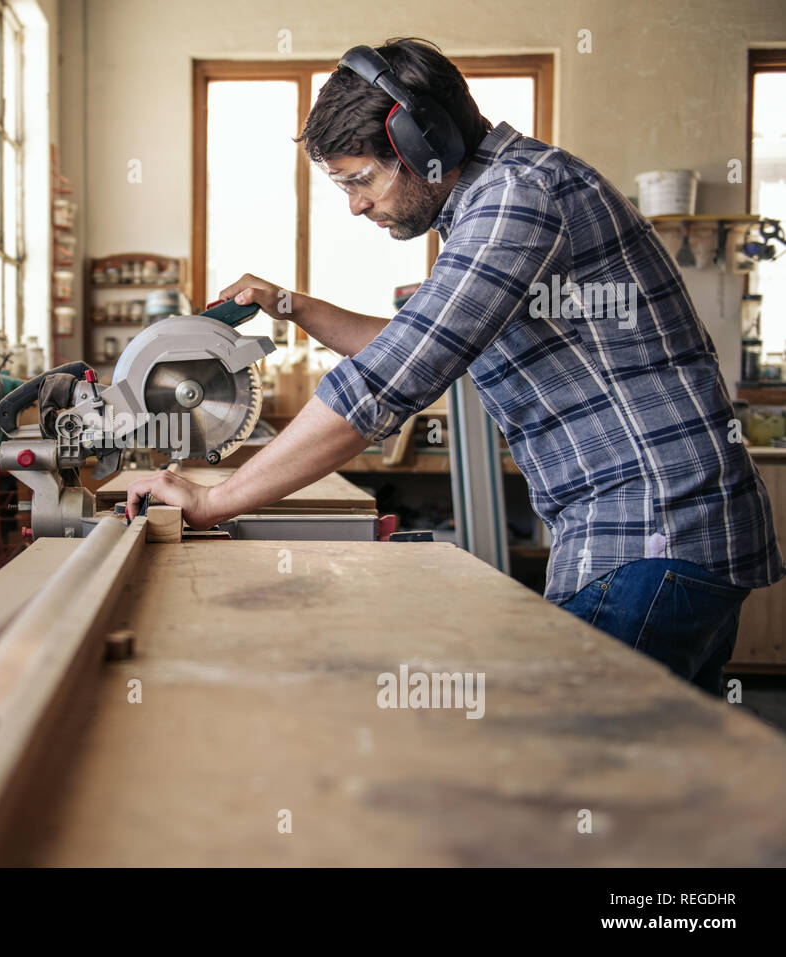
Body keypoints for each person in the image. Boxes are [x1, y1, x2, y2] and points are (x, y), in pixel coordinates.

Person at [125, 37, 783, 694]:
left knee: (570, 771)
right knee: (661, 777)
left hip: (650, 535)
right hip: (665, 537)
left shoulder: (516, 200)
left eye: (359, 180)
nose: (356, 205)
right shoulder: (495, 198)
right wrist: (291, 304)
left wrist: (213, 501)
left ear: (422, 142)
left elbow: (387, 381)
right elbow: (420, 343)